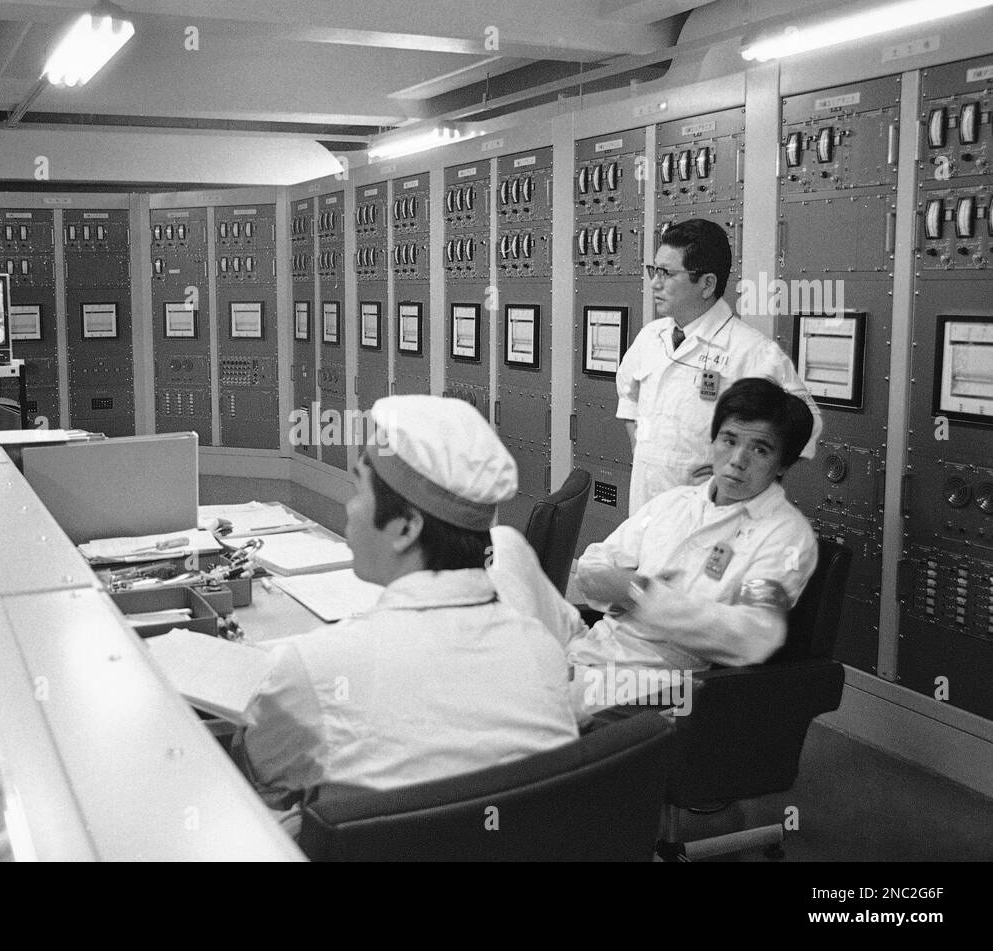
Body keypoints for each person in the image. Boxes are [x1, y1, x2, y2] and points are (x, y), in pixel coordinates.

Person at [234, 395, 580, 823]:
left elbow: (258, 770)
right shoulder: (541, 651)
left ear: (405, 527)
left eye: (357, 488)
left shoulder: (319, 668)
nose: (349, 507)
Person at [568, 378, 819, 719]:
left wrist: (640, 593)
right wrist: (622, 590)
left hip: (673, 687)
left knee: (533, 716)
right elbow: (596, 563)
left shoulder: (785, 536)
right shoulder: (674, 504)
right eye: (729, 440)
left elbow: (754, 634)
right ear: (713, 440)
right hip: (596, 652)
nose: (738, 460)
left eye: (760, 449)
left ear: (784, 465)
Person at [617, 219, 822, 513]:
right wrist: (642, 448)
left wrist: (738, 477)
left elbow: (807, 427)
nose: (654, 283)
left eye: (667, 273)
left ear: (707, 284)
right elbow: (628, 395)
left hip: (709, 514)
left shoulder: (750, 351)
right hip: (645, 509)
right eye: (654, 270)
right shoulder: (651, 337)